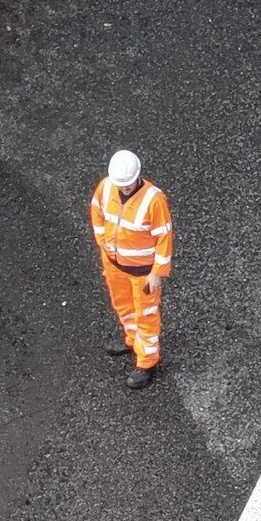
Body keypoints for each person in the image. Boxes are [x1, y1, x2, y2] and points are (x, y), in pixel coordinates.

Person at [89, 149, 173, 389]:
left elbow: (164, 237)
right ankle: (132, 340)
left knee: (146, 316)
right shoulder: (106, 187)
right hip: (114, 265)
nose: (124, 188)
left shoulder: (153, 200)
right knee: (123, 306)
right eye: (121, 185)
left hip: (143, 272)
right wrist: (103, 244)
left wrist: (157, 271)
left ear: (138, 176)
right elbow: (97, 213)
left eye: (128, 184)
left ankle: (147, 362)